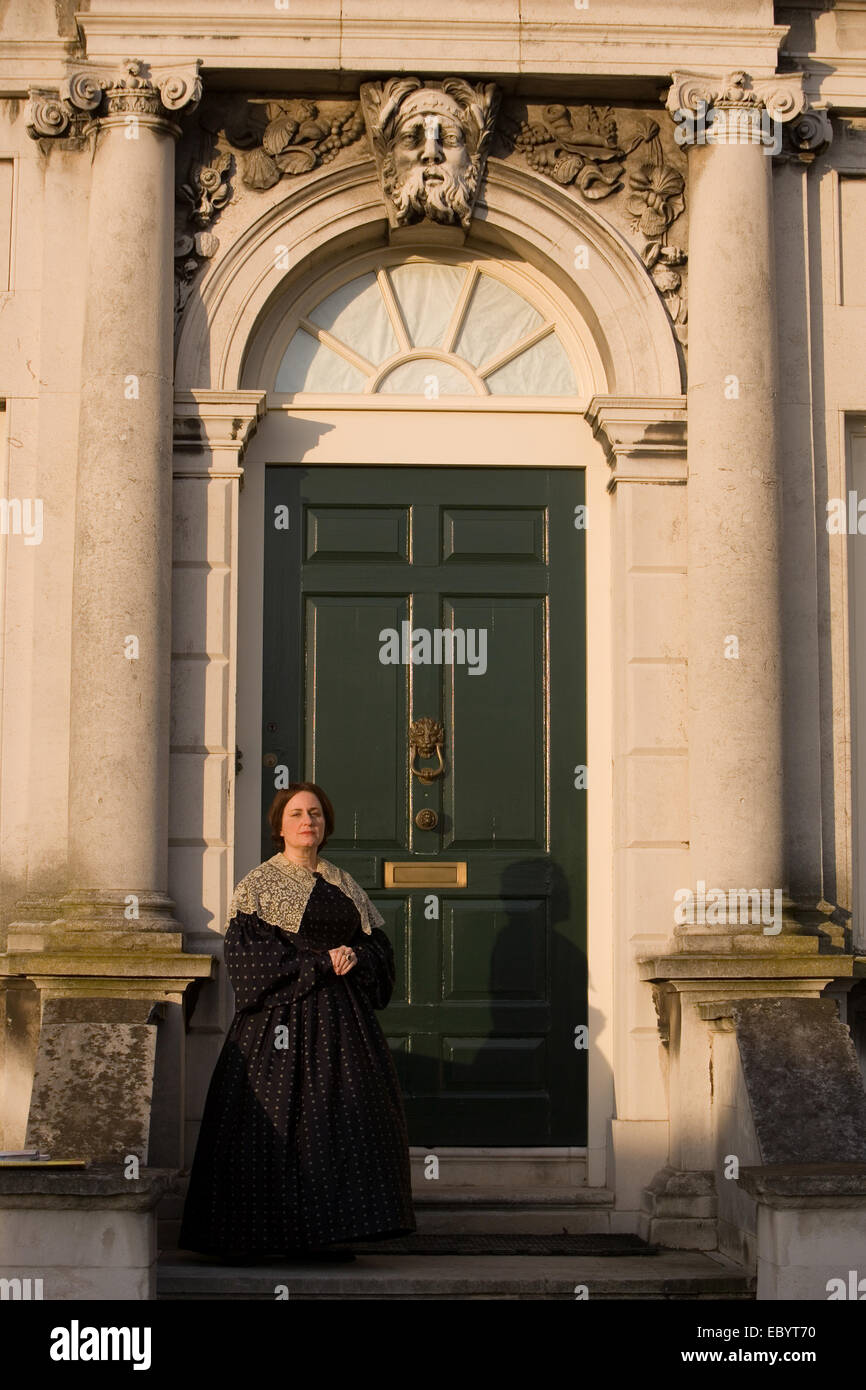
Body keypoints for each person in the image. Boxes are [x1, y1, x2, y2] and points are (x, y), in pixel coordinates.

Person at [178, 782, 416, 1261]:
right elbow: (249, 963)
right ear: (280, 826)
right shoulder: (260, 884)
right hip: (278, 1027)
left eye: (316, 814)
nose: (308, 821)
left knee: (341, 1121)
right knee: (275, 1123)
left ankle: (323, 1234)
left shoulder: (343, 884)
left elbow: (380, 951)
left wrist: (357, 957)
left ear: (326, 824)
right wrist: (321, 963)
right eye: (297, 814)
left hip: (343, 1024)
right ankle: (259, 1238)